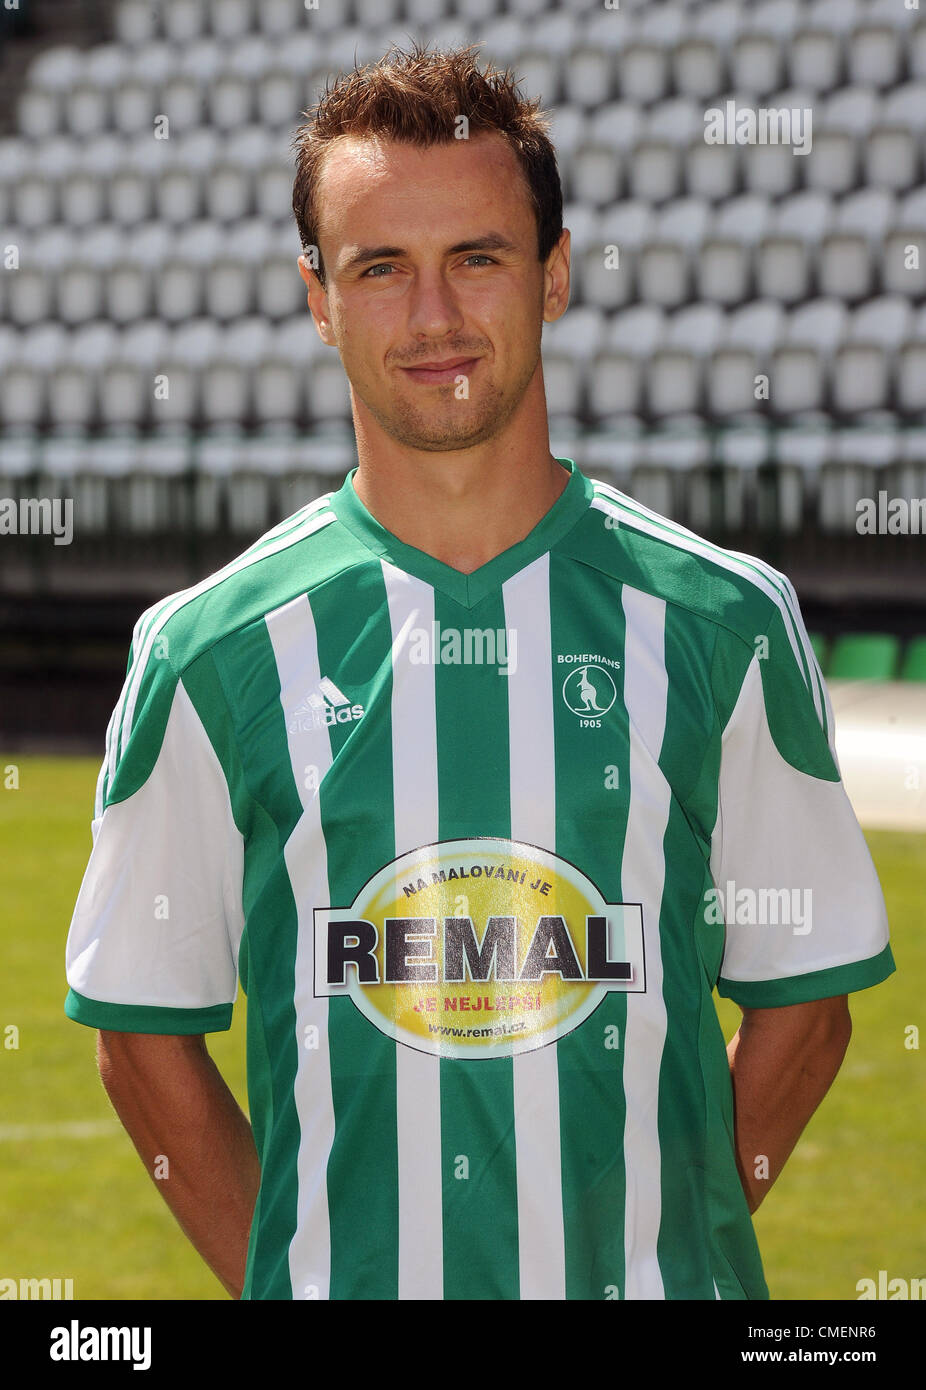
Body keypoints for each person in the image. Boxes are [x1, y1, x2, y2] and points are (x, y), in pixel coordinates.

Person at [65, 42, 894, 1301]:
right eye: (380, 268)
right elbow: (137, 1033)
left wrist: (656, 1243)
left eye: (478, 258)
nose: (434, 318)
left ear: (553, 276)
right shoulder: (207, 649)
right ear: (316, 298)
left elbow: (806, 1005)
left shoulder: (720, 620)